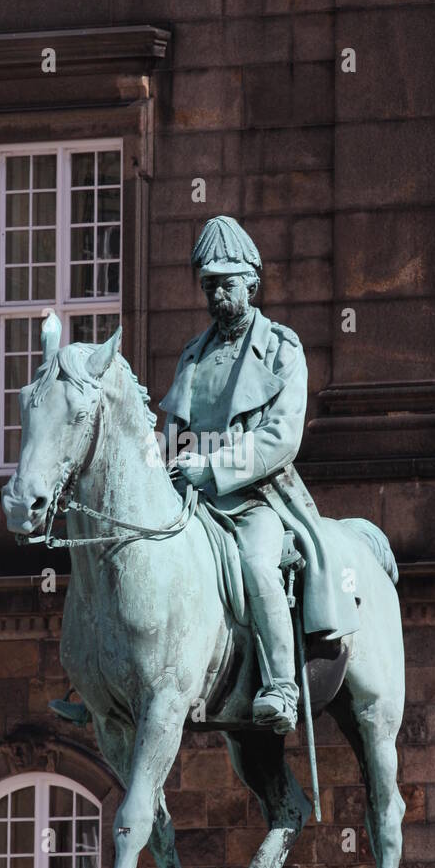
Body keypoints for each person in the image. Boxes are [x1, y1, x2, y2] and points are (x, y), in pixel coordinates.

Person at [161, 216, 360, 734]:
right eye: (208, 284)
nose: (216, 293)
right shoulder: (192, 355)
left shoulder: (281, 347)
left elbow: (281, 439)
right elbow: (176, 430)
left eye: (226, 282)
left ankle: (281, 687)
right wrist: (173, 467)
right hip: (192, 501)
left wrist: (213, 466)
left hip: (258, 498)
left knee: (256, 564)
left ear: (252, 281)